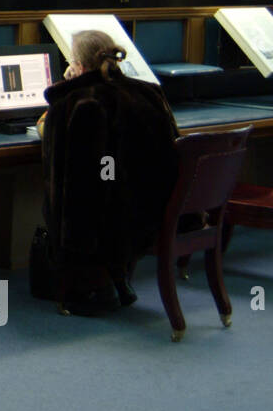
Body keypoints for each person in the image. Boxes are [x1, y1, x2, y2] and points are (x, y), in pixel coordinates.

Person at [33, 30, 179, 317]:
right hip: (150, 211)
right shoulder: (148, 92)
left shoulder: (77, 103)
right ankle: (115, 277)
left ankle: (88, 284)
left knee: (88, 198)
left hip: (103, 226)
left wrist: (67, 86)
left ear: (78, 64)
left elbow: (71, 186)